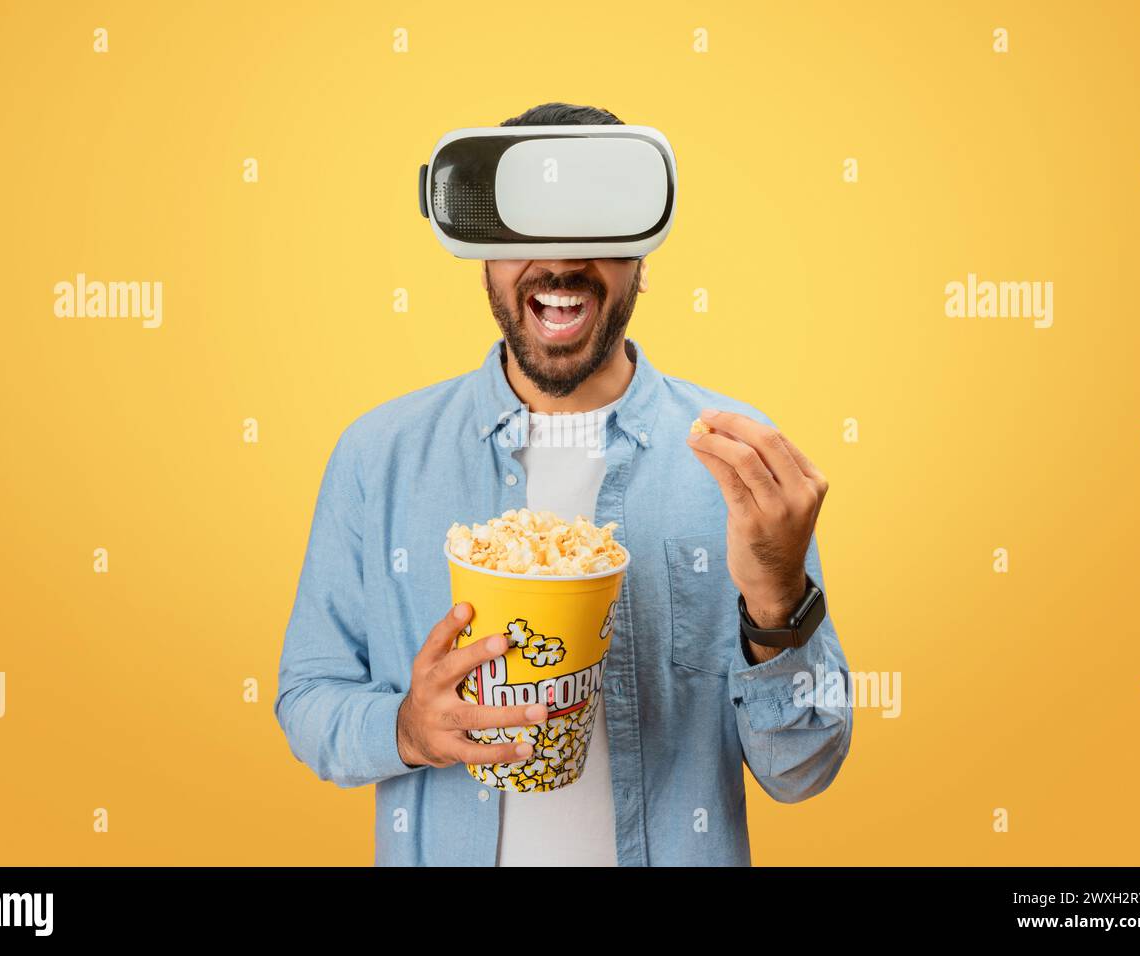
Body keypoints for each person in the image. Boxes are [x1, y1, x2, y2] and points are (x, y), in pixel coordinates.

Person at [274, 102, 852, 866]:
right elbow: (308, 697)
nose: (560, 260)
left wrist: (777, 599)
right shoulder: (379, 456)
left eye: (599, 226)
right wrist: (407, 730)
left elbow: (803, 767)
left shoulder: (739, 460)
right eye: (524, 228)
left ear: (643, 260)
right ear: (482, 251)